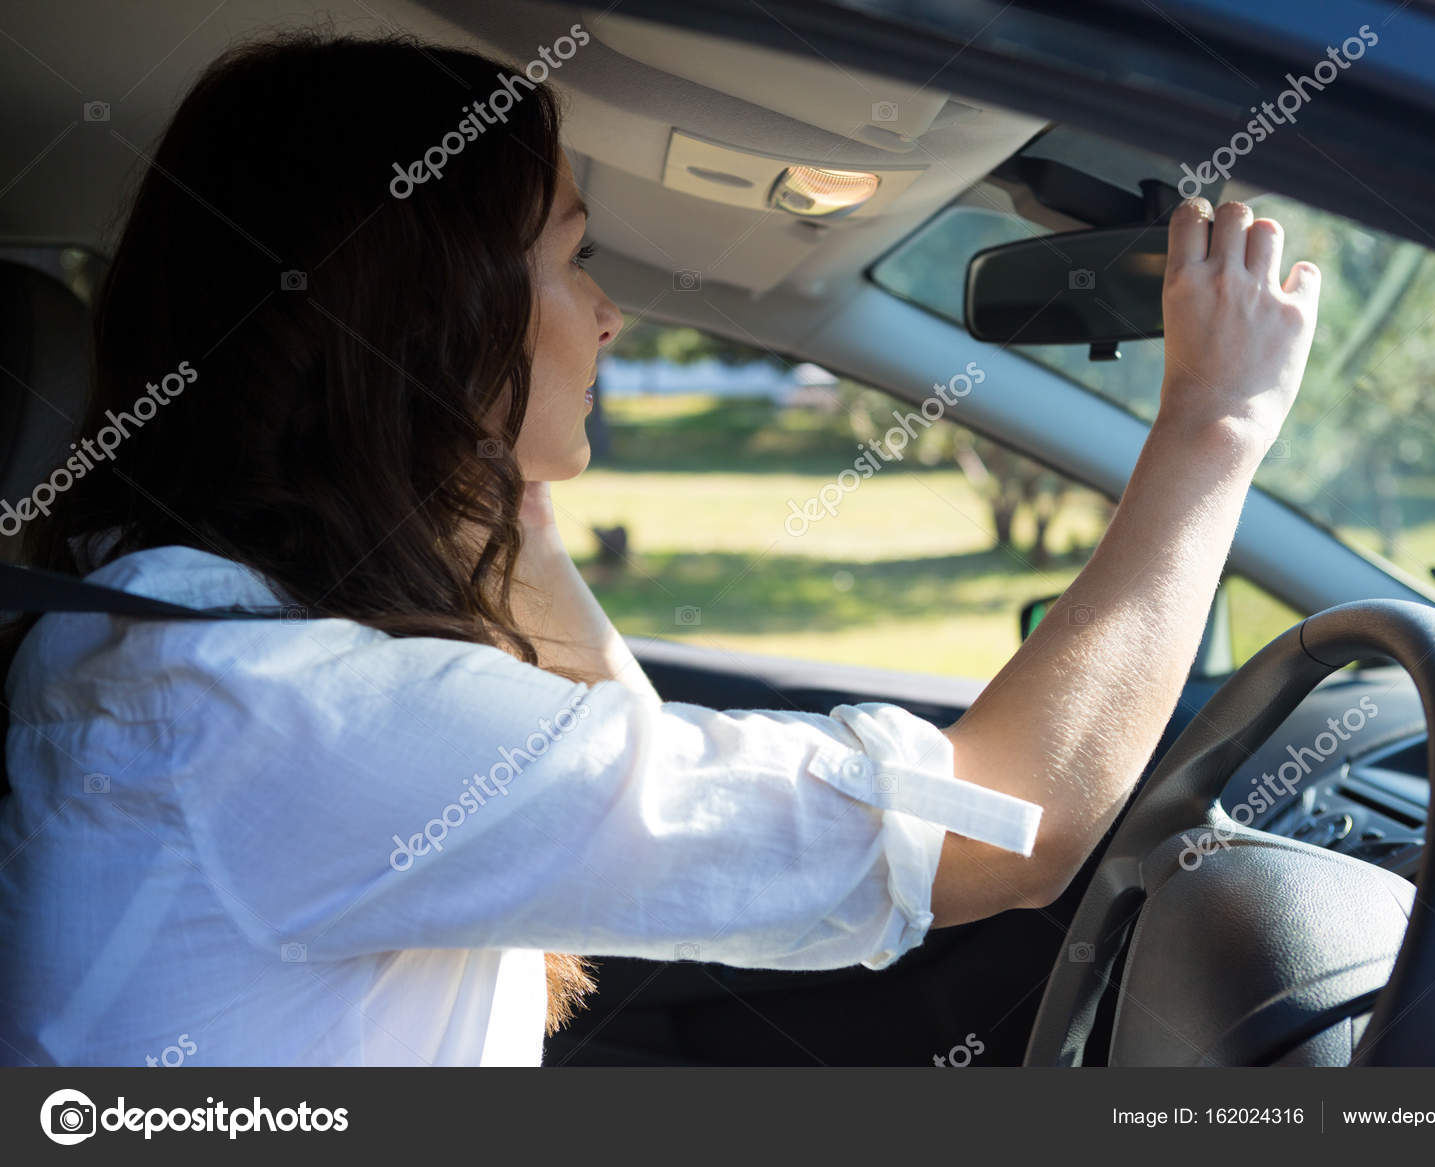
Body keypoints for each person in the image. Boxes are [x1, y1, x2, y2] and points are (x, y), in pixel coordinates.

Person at [0, 32, 1318, 1066]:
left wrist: (493, 494)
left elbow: (612, 805)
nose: (610, 314)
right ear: (434, 329)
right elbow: (1003, 830)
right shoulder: (290, 715)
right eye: (572, 263)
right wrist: (1213, 431)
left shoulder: (171, 628)